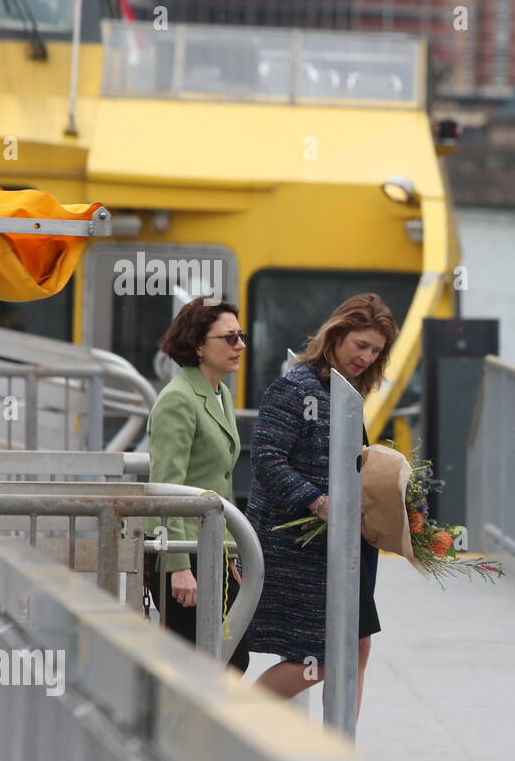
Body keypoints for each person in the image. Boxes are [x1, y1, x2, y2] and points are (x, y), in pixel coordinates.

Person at [243, 293, 396, 720]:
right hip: (299, 548)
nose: (366, 357)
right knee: (324, 656)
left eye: (376, 351)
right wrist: (316, 500)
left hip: (341, 545)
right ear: (337, 335)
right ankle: (237, 720)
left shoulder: (343, 390)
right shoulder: (296, 387)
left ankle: (342, 749)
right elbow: (266, 458)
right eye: (360, 345)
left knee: (358, 645)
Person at [145, 299, 251, 672]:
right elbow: (165, 487)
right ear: (199, 345)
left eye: (241, 335)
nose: (240, 344)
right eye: (229, 337)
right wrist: (176, 566)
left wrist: (232, 552)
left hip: (212, 548)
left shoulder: (219, 394)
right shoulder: (178, 400)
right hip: (184, 551)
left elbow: (218, 481)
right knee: (210, 662)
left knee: (228, 656)